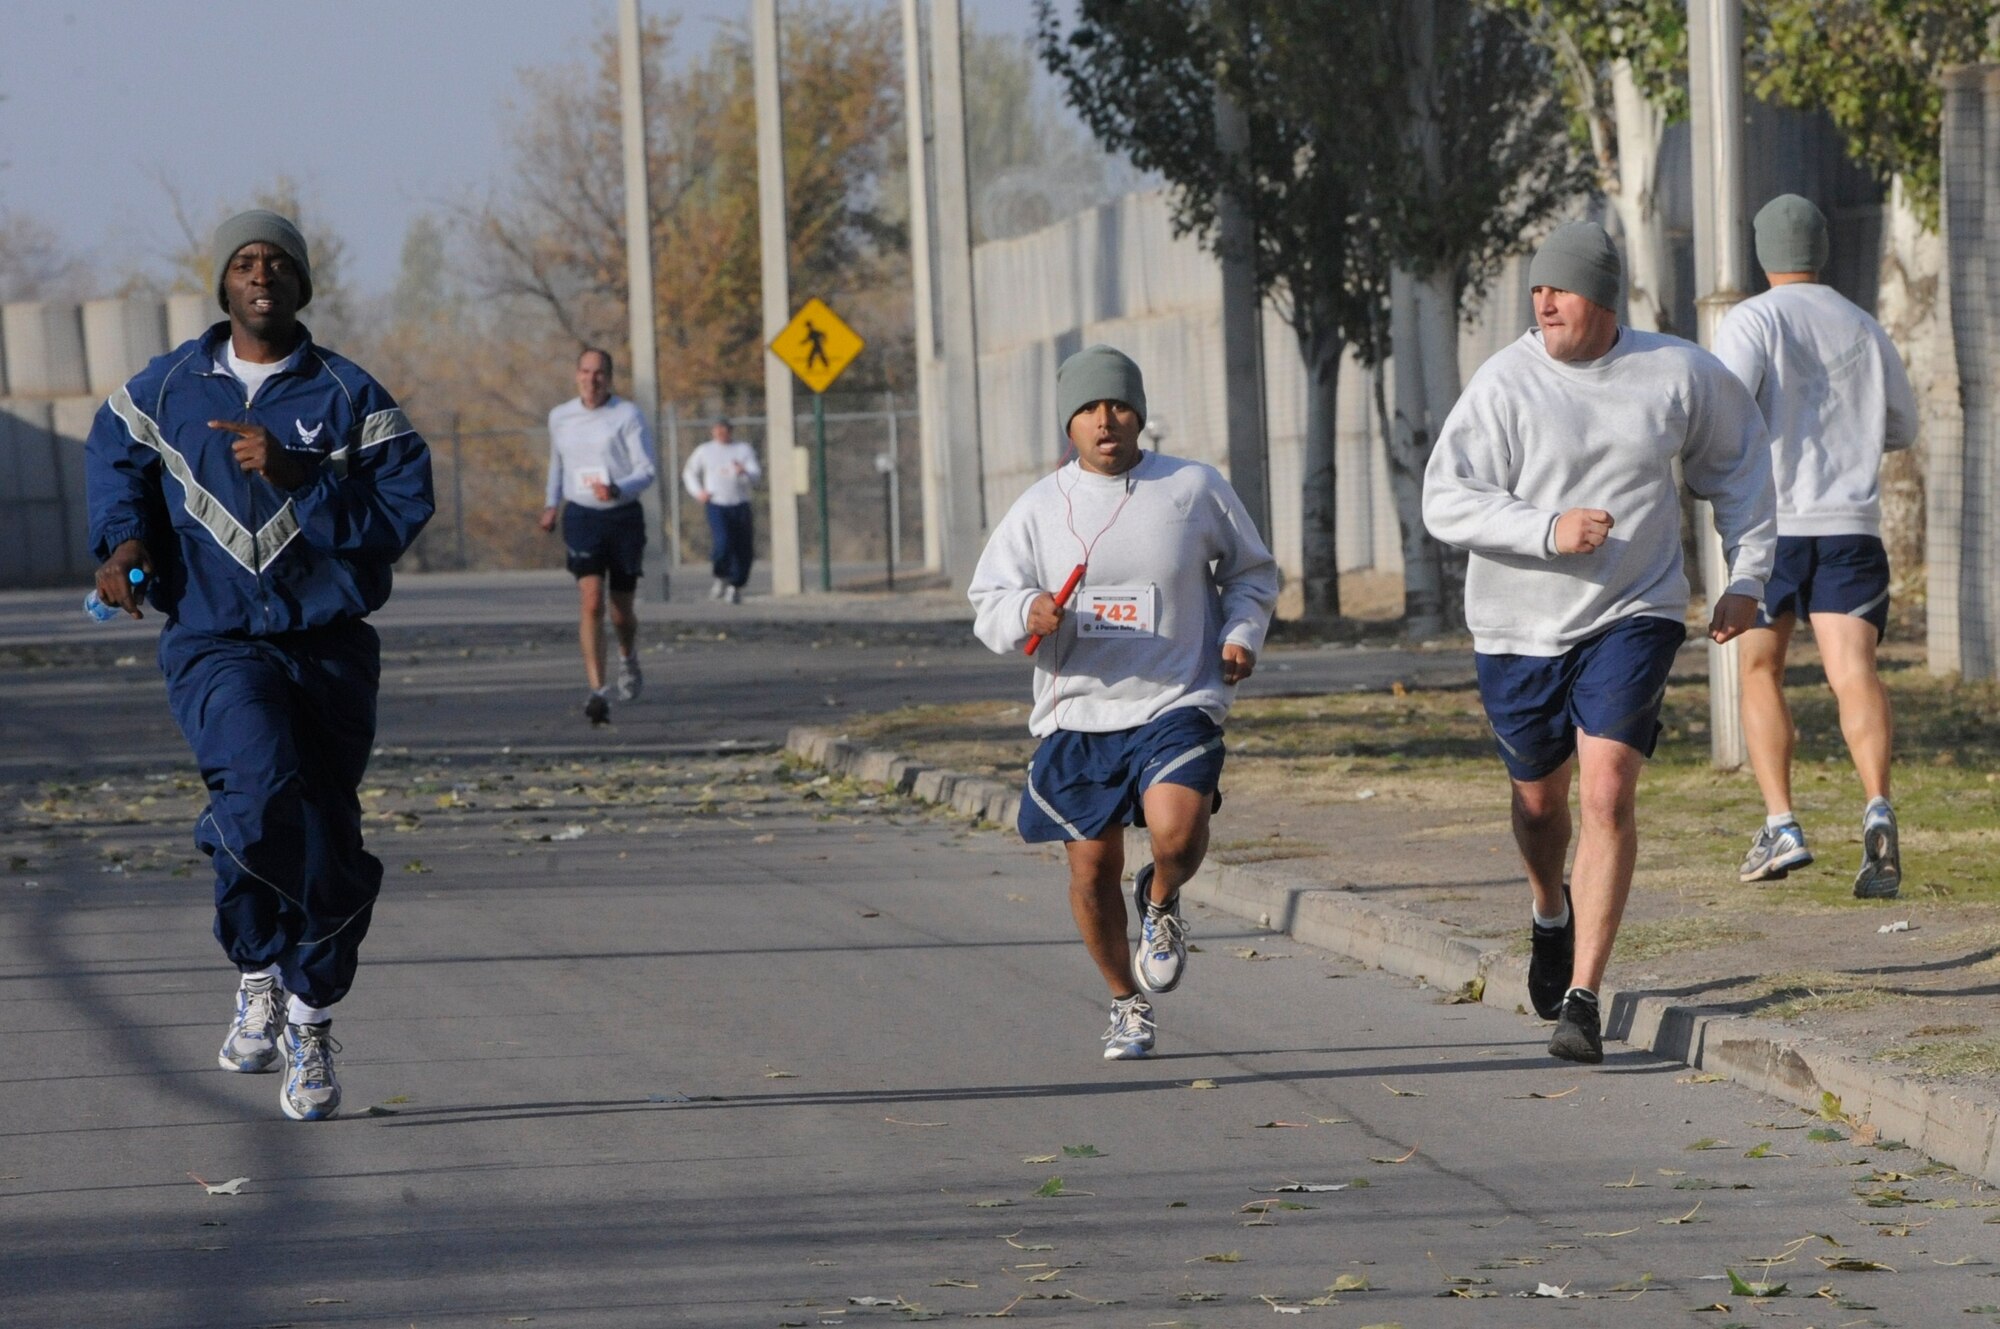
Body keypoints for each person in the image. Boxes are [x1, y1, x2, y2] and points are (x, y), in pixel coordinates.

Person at [85, 209, 434, 1120]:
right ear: (224, 285)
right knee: (255, 792)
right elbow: (117, 461)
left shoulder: (350, 395)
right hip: (216, 640)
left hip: (328, 647)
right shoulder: (166, 388)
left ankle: (311, 1020)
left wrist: (303, 476)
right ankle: (254, 963)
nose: (261, 274)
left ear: (302, 284)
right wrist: (123, 544)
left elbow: (403, 506)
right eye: (244, 262)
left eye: (278, 262)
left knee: (328, 839)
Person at [1422, 221, 1776, 1064]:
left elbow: (1743, 462)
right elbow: (1446, 500)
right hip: (1518, 627)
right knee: (1541, 806)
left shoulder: (1678, 372)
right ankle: (1551, 906)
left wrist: (1748, 574)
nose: (1544, 301)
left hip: (1636, 610)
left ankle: (1582, 997)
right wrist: (1548, 529)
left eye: (1563, 288)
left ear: (1605, 299)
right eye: (1538, 288)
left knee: (1608, 792)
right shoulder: (1506, 383)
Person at [970, 345, 1279, 1061]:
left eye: (1117, 405)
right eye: (1086, 409)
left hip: (1177, 694)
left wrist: (1240, 634)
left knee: (1176, 831)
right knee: (1090, 869)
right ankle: (1124, 1001)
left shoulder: (1192, 487)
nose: (1104, 420)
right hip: (1078, 710)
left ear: (1138, 413)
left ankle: (1163, 899)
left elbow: (1253, 572)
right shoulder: (1039, 507)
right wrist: (1029, 609)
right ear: (1068, 425)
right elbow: (987, 600)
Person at [1716, 195, 1919, 899]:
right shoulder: (1863, 323)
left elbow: (1727, 410)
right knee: (1853, 672)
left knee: (1760, 670)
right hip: (1852, 525)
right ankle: (1877, 804)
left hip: (1773, 526)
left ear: (1762, 251)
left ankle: (1783, 823)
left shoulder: (1752, 319)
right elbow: (1903, 424)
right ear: (1824, 248)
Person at [538, 348, 658, 723]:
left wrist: (618, 488)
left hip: (622, 517)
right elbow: (558, 463)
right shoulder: (561, 416)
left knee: (621, 612)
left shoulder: (626, 415)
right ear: (577, 375)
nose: (592, 379)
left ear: (610, 378)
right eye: (586, 372)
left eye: (600, 373)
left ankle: (627, 657)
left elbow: (647, 469)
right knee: (591, 600)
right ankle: (597, 689)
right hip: (582, 516)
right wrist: (551, 504)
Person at [681, 416, 761, 602]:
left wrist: (744, 472)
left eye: (724, 430)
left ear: (730, 431)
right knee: (723, 543)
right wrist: (698, 492)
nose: (721, 434)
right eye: (717, 430)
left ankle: (736, 585)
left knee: (743, 547)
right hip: (717, 503)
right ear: (713, 431)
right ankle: (721, 575)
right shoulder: (705, 450)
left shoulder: (743, 450)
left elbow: (755, 474)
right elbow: (690, 472)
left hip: (740, 503)